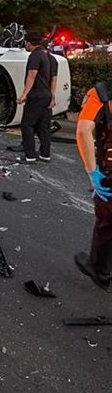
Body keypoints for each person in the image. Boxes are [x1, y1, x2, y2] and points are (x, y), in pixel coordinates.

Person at [74, 81, 112, 291]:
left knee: (106, 222)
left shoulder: (100, 93)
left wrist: (92, 172)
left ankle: (100, 270)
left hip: (109, 170)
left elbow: (83, 130)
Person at [17, 32, 58, 163]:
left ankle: (30, 156)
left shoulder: (35, 56)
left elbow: (32, 75)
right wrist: (52, 96)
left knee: (27, 124)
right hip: (46, 95)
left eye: (26, 43)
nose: (25, 45)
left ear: (29, 43)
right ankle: (45, 154)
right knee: (44, 126)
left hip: (36, 95)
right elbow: (53, 79)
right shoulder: (49, 57)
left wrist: (25, 94)